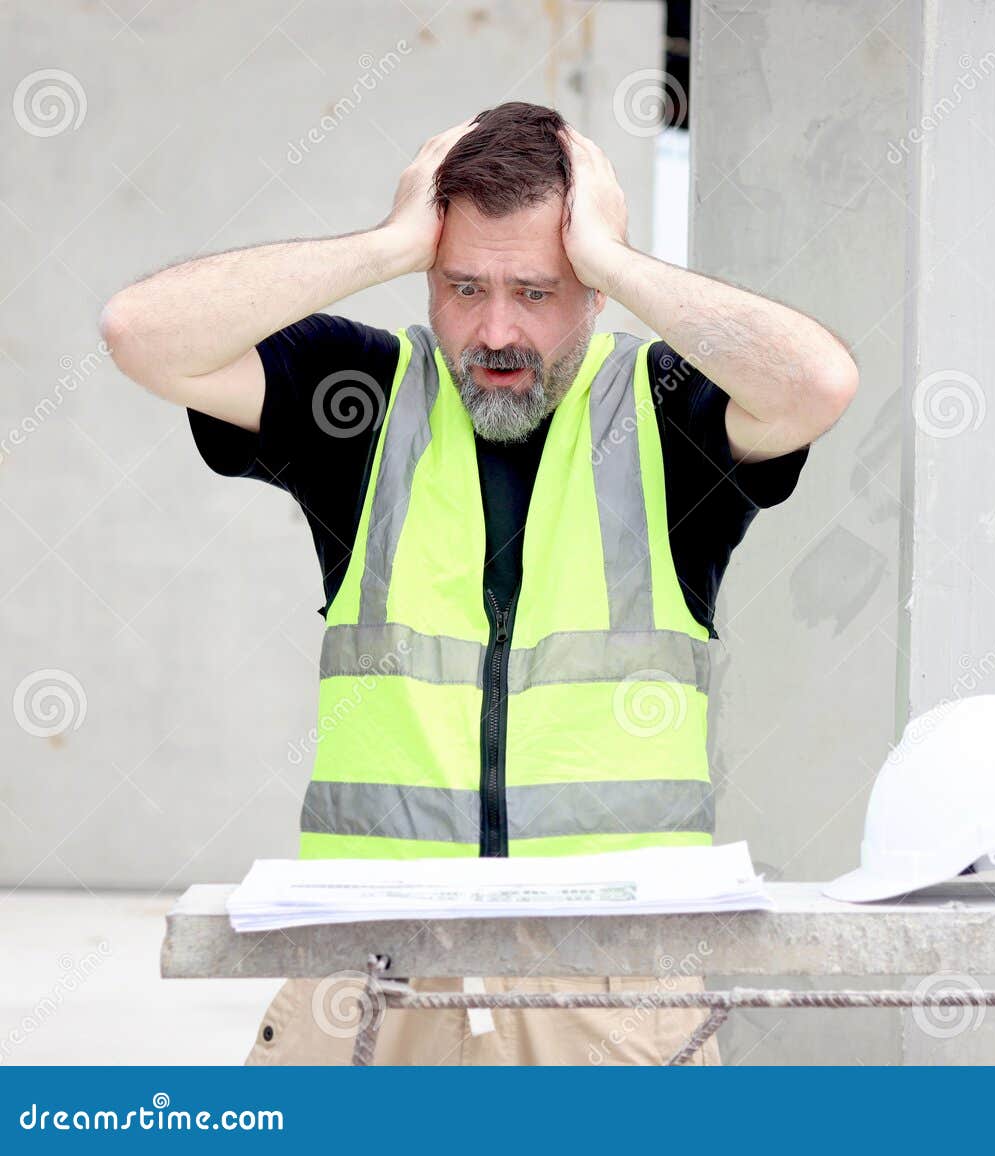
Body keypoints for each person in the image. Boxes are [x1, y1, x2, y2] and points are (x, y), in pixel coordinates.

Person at [99, 101, 858, 1065]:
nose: (495, 330)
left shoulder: (668, 417)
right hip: (368, 976)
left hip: (607, 989)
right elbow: (140, 333)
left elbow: (817, 385)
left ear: (591, 291)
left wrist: (619, 258)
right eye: (463, 286)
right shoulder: (361, 400)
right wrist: (385, 244)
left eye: (537, 291)